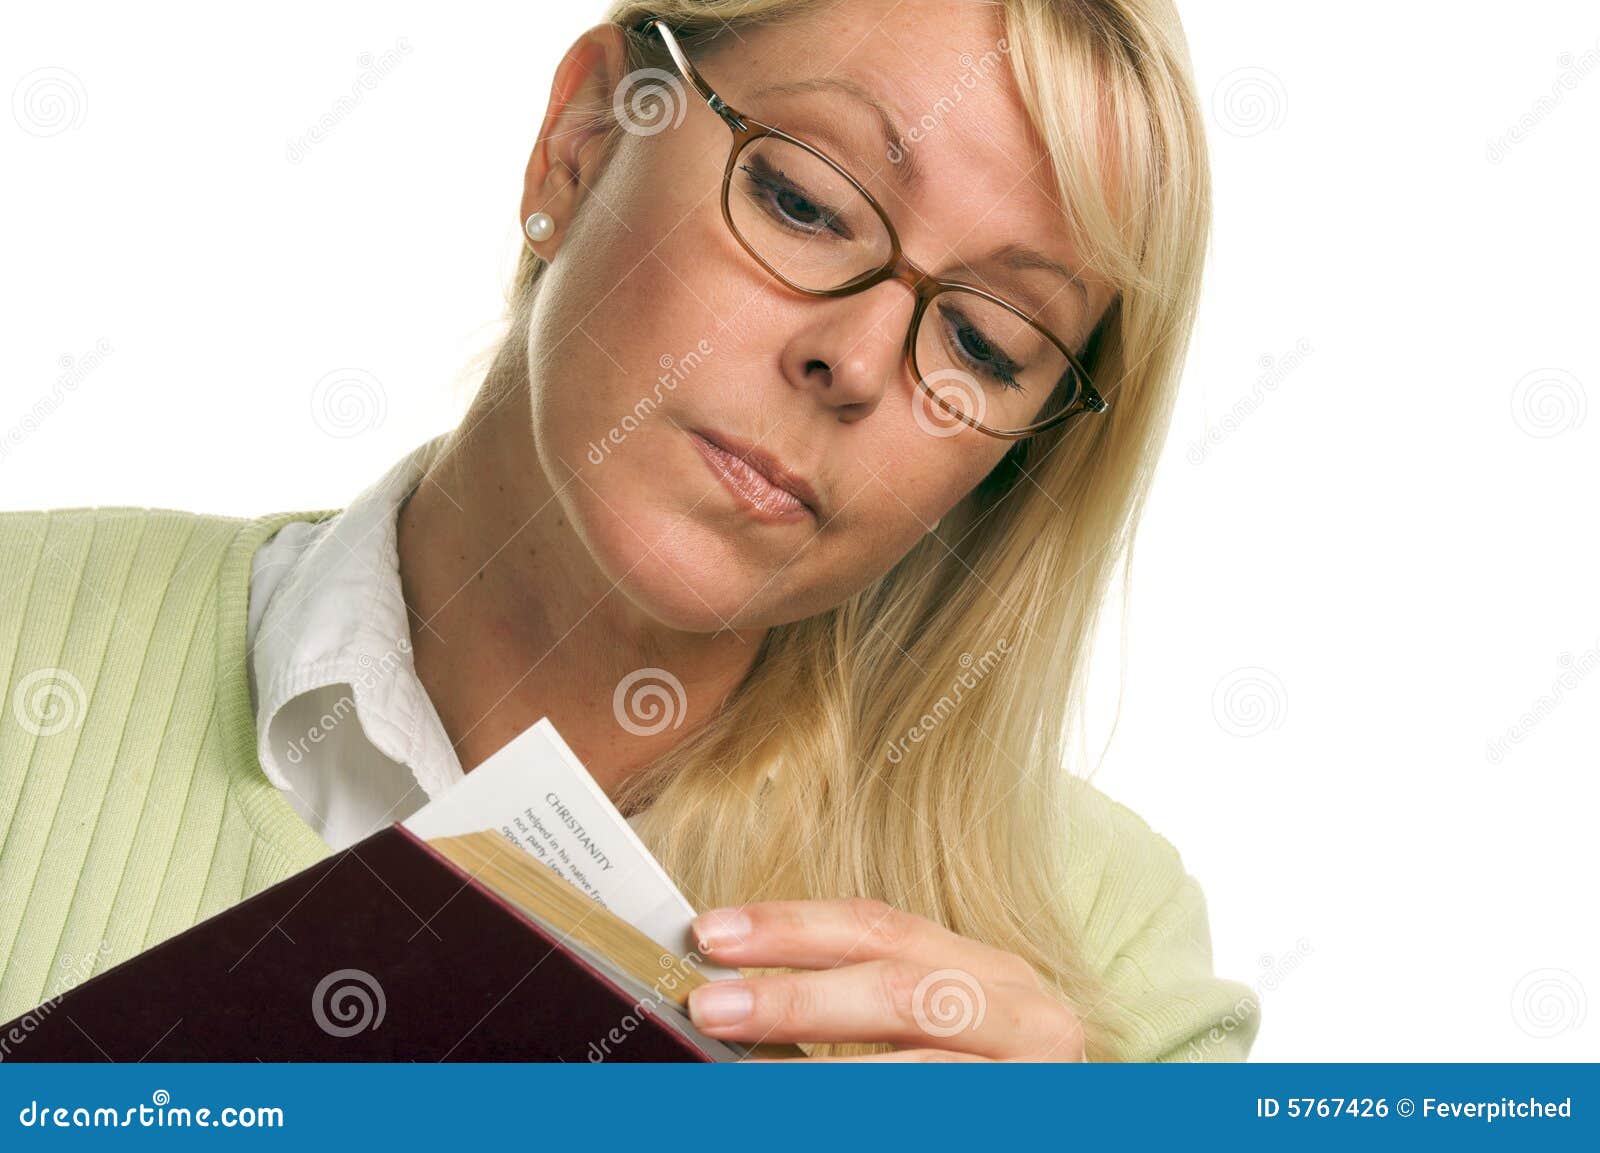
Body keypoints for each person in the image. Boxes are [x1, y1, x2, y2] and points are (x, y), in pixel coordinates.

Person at [0, 0, 1259, 1061]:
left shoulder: (1111, 967)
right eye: (807, 201)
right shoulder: (26, 639)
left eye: (987, 343)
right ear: (584, 141)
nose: (859, 357)